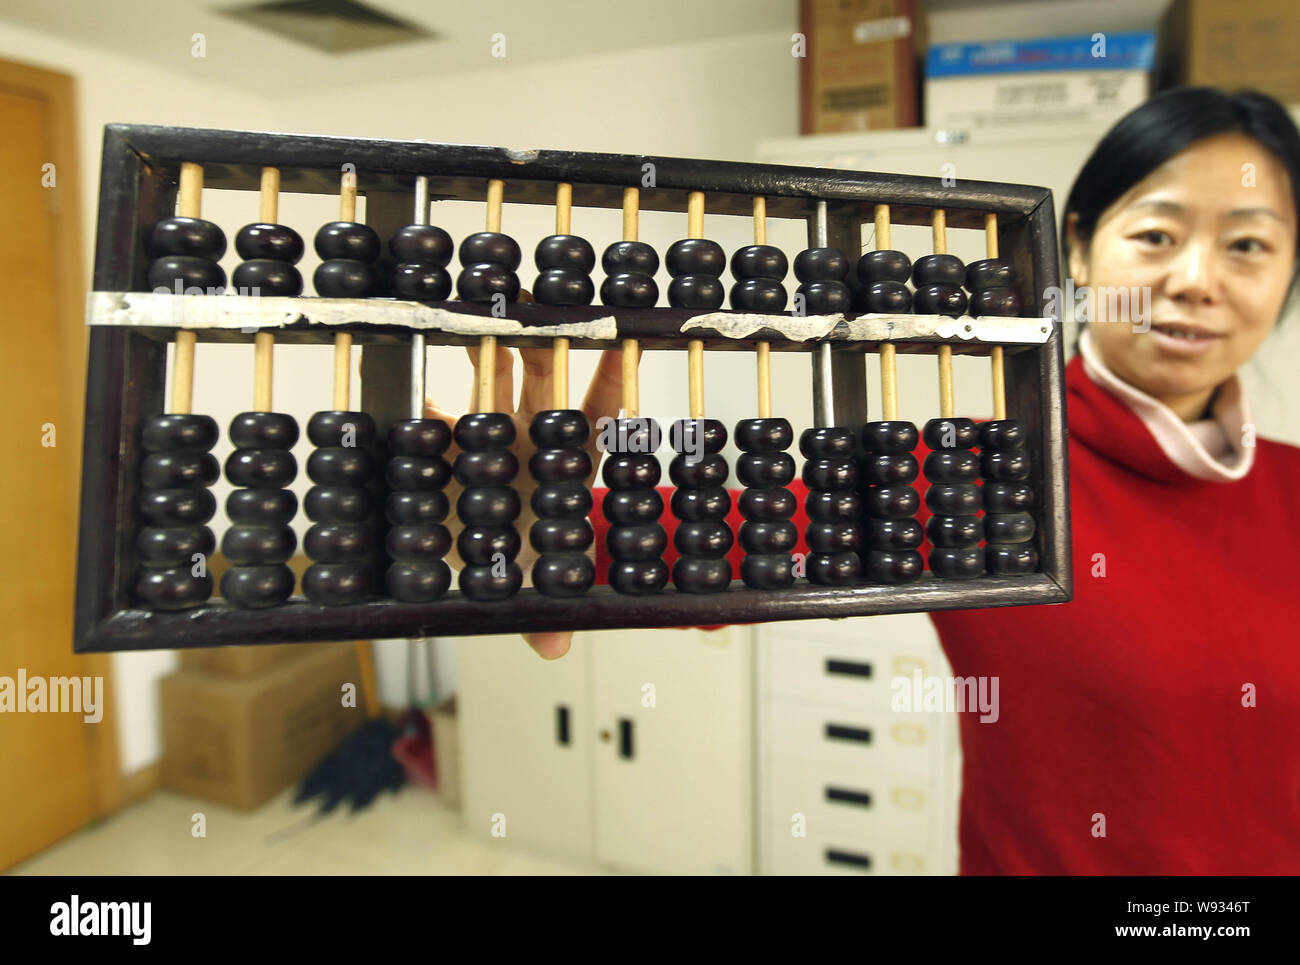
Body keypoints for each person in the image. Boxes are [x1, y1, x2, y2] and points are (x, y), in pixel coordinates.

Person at [426, 87, 1300, 874]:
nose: (1194, 281)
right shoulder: (990, 479)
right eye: (1156, 234)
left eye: (1249, 244)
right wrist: (555, 515)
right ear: (1076, 250)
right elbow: (734, 542)